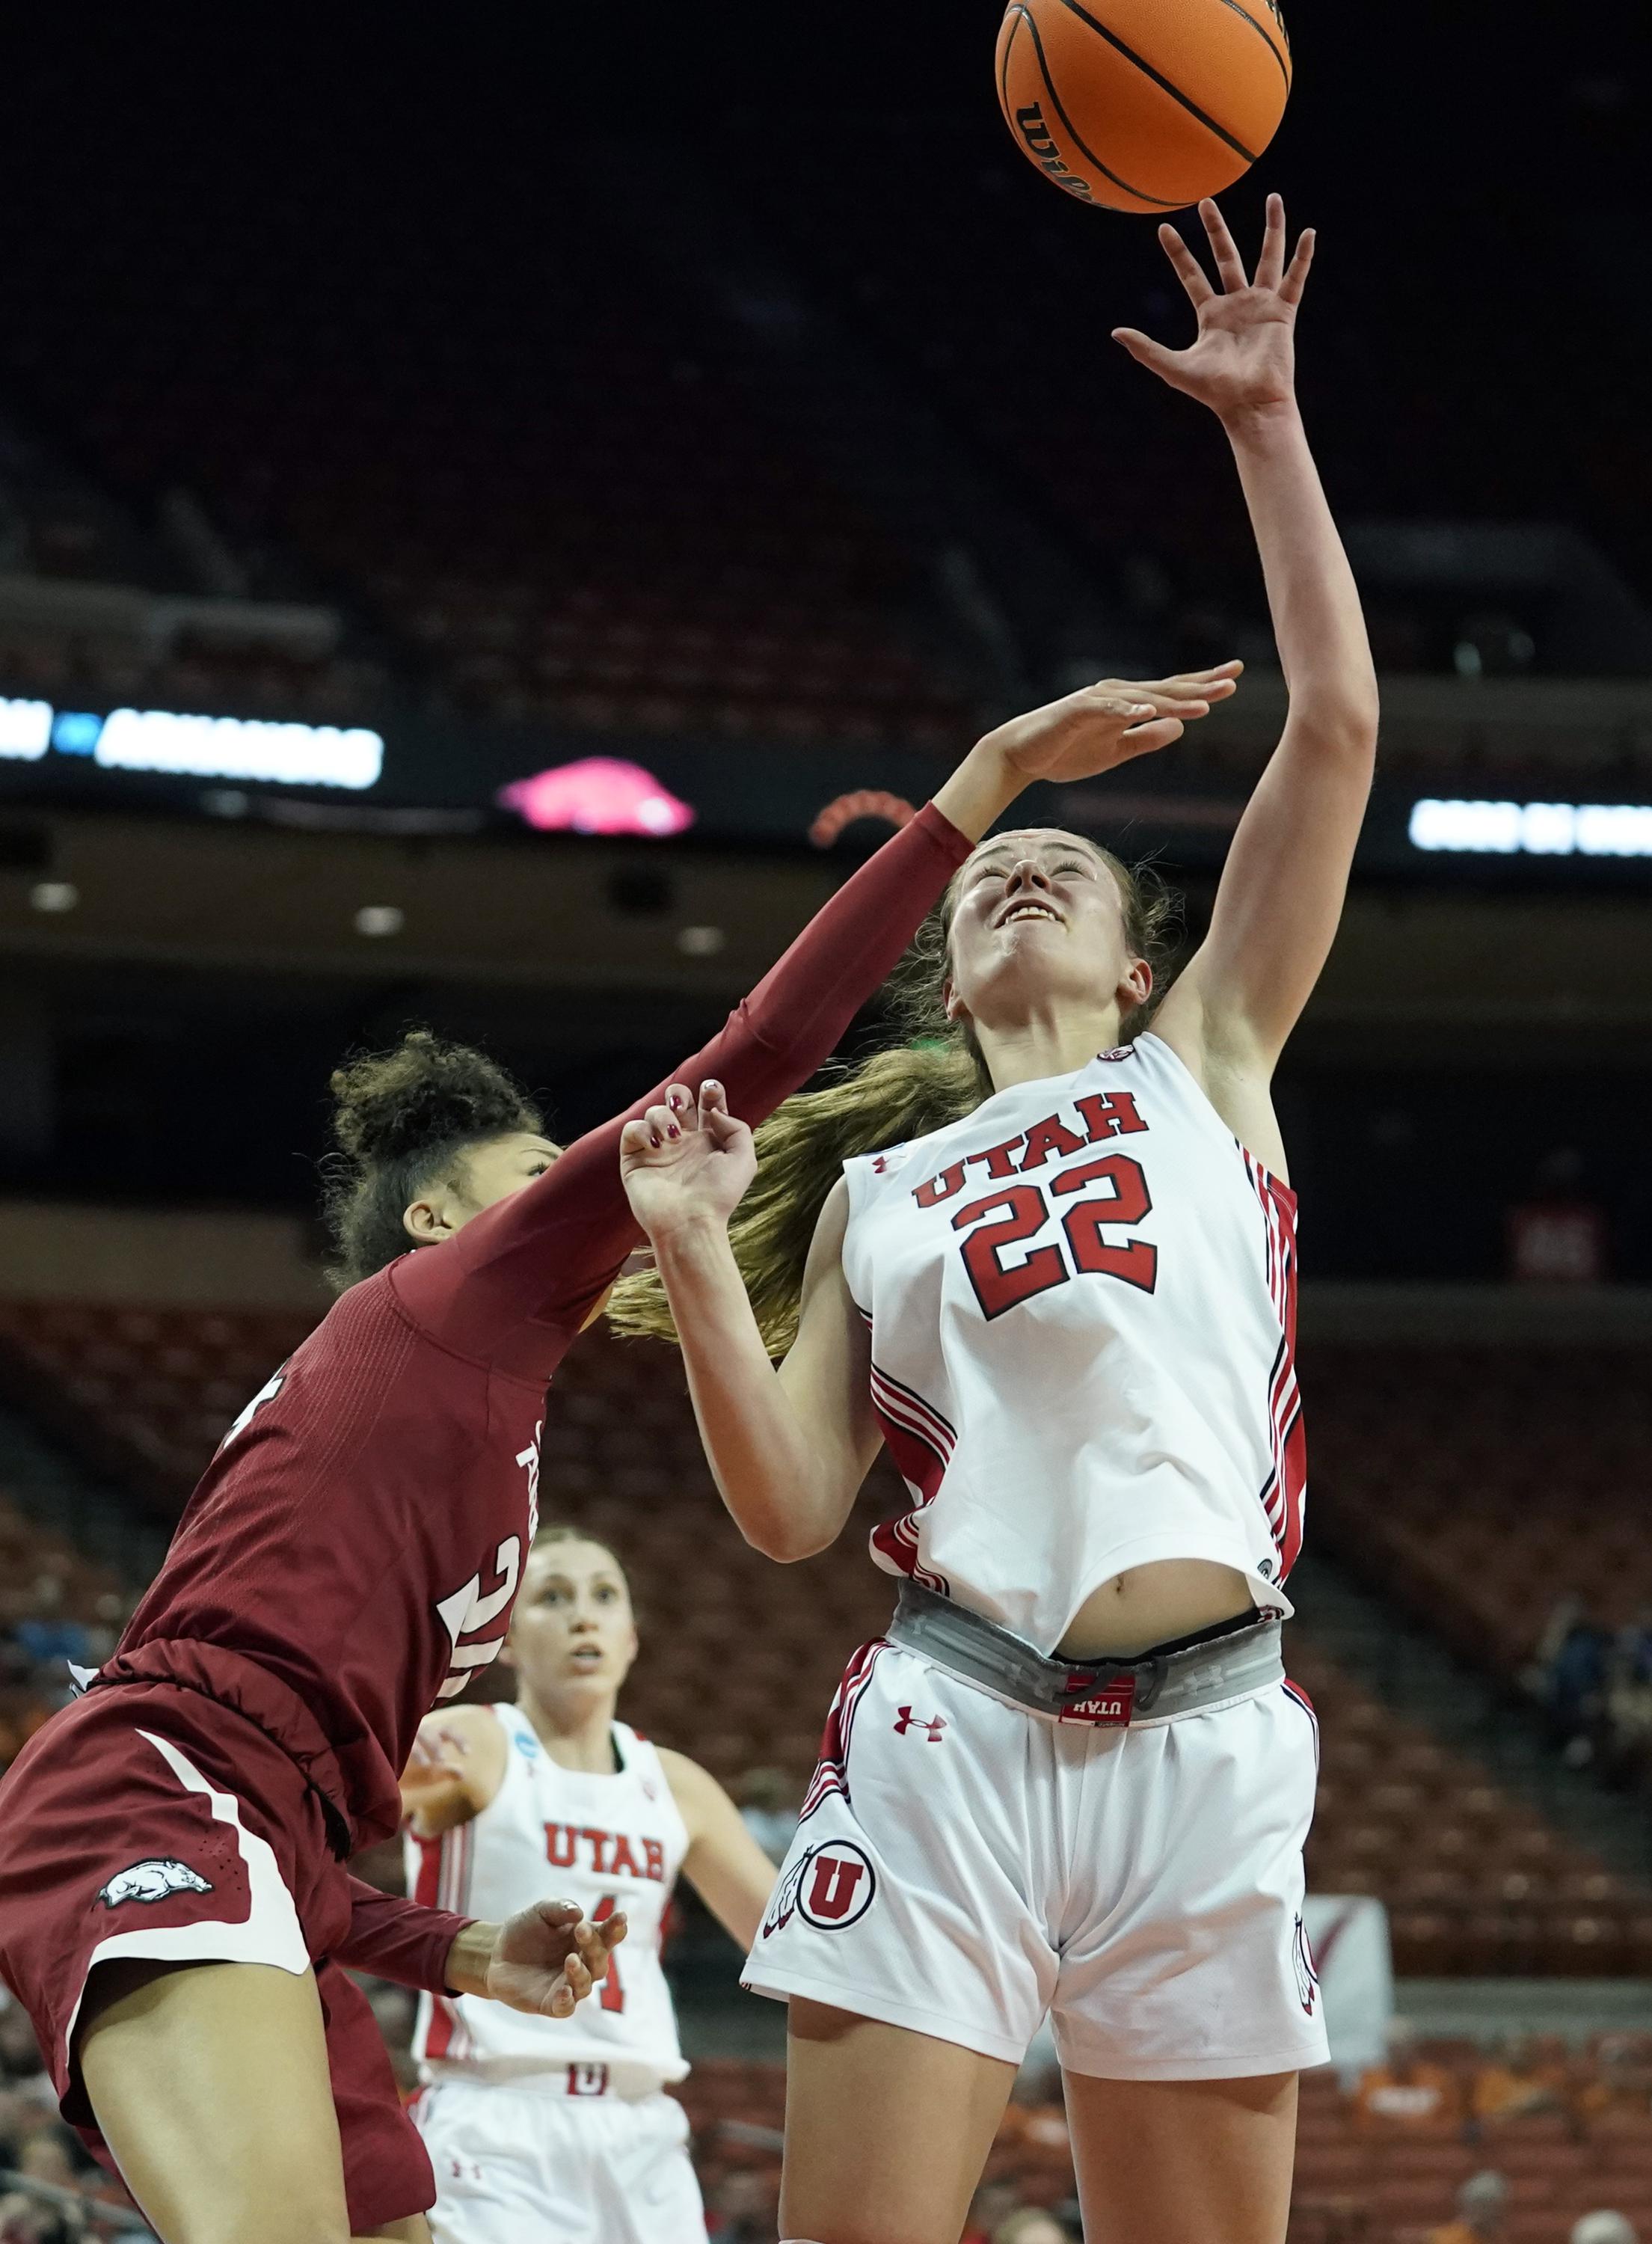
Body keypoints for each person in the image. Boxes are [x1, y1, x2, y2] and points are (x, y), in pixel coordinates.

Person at [0, 669, 1226, 2244]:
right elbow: (765, 1042)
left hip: (258, 1837)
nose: (591, 1186)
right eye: (543, 1177)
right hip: (152, 1791)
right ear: (443, 1219)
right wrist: (980, 781)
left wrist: (454, 1951)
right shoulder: (451, 1300)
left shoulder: (487, 1413)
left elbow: (286, 1813)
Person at [612, 196, 1378, 2244]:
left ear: (1140, 965)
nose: (1015, 869)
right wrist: (691, 1247)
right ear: (951, 982)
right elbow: (791, 1510)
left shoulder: (1207, 1062)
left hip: (1209, 1735)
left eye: (1062, 866)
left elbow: (1332, 729)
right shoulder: (875, 1191)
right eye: (978, 881)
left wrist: (1264, 428)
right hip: (949, 1721)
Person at [398, 1524, 779, 2244]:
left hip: (642, 2127)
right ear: (507, 1639)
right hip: (495, 2117)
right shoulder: (474, 1742)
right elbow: (331, 1812)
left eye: (604, 1596)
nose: (582, 1616)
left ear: (631, 1638)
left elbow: (793, 1945)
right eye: (552, 1597)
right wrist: (392, 1762)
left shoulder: (674, 1783)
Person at [1352, 2020, 1467, 2137]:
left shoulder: (1438, 2079)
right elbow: (1361, 2122)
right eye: (1394, 2047)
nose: (1399, 2053)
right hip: (1383, 2143)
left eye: (1404, 2046)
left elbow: (1452, 2120)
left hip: (1429, 2143)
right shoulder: (1370, 2080)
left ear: (1414, 2047)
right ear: (1388, 2049)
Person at [1428, 2170, 1510, 2244]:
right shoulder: (1440, 2240)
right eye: (1482, 2207)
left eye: (1494, 2209)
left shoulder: (1500, 2239)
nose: (1489, 2214)